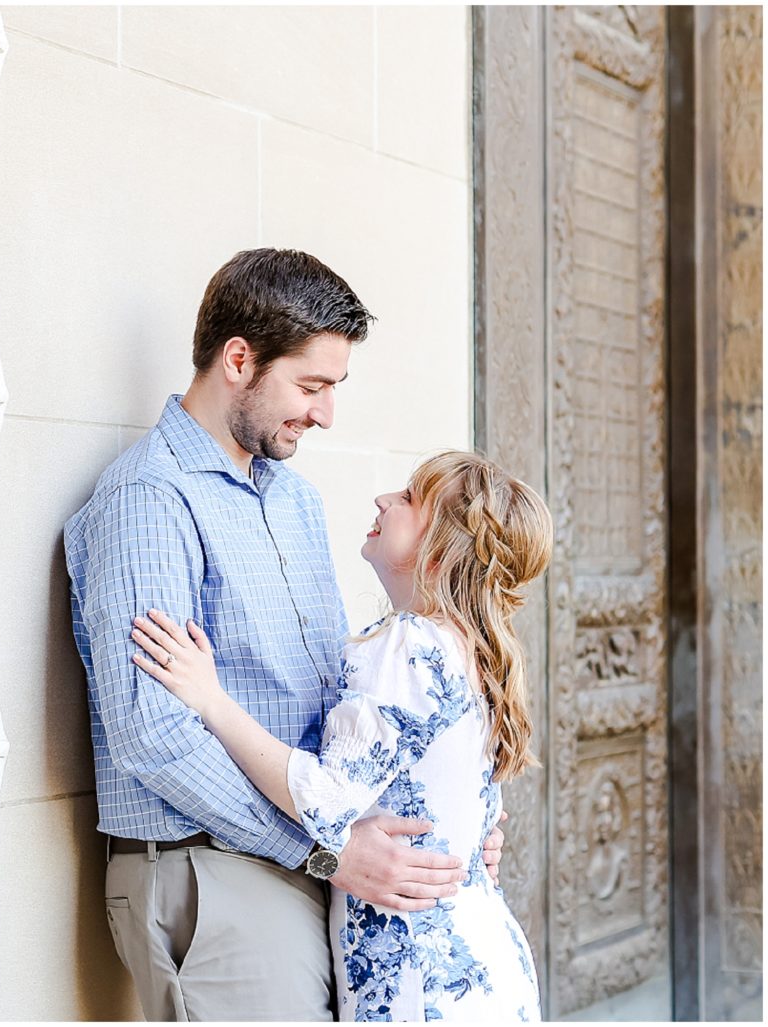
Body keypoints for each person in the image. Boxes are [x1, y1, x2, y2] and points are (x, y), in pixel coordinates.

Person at [64, 248, 505, 1021]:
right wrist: (327, 849)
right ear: (239, 359)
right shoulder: (149, 499)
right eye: (311, 385)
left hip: (317, 859)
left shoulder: (294, 500)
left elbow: (350, 706)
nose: (326, 413)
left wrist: (447, 824)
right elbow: (154, 735)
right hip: (215, 867)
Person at [130, 451, 550, 1021]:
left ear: (440, 548)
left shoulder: (406, 645)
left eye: (407, 498)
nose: (383, 501)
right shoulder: (472, 650)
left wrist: (210, 698)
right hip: (484, 959)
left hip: (417, 979)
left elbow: (325, 799)